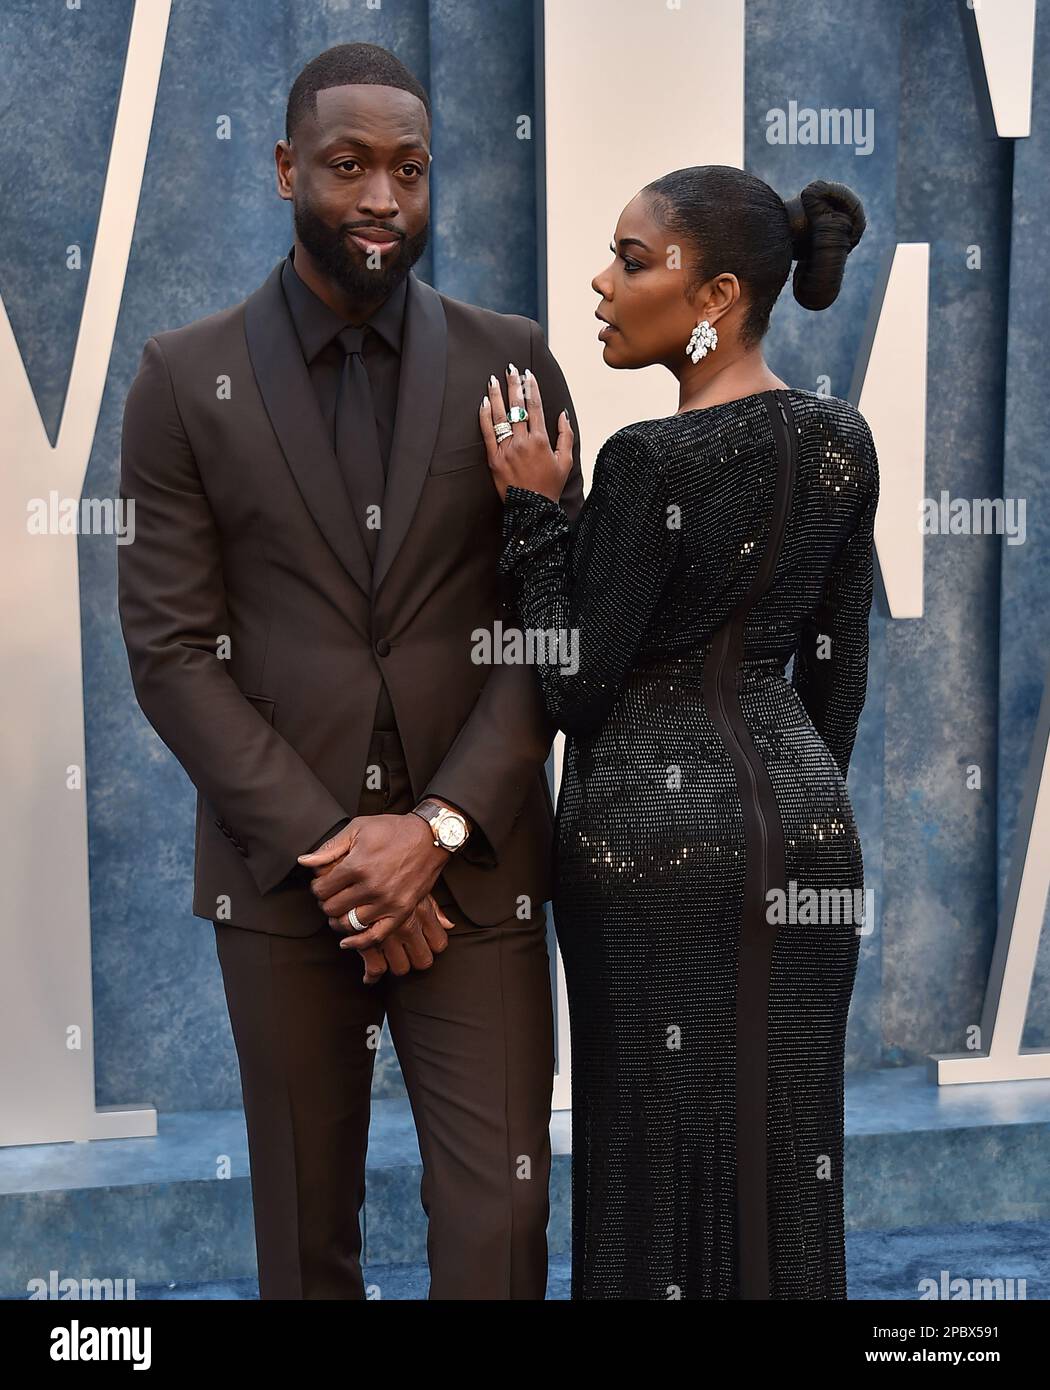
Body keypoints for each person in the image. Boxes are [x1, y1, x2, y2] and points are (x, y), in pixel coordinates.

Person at [117, 42, 583, 1300]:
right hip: (285, 885)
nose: (383, 196)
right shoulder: (181, 379)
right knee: (307, 1244)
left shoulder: (516, 362)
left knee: (498, 1237)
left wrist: (432, 831)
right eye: (349, 164)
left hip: (477, 876)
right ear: (284, 170)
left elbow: (551, 626)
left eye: (410, 169)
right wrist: (345, 850)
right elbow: (168, 652)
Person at [481, 167, 878, 1299]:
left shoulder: (650, 461)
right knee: (786, 1143)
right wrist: (798, 810)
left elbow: (573, 684)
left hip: (647, 849)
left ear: (713, 298)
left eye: (633, 260)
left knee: (655, 1153)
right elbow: (838, 672)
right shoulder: (843, 440)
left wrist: (535, 515)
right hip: (808, 836)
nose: (603, 284)